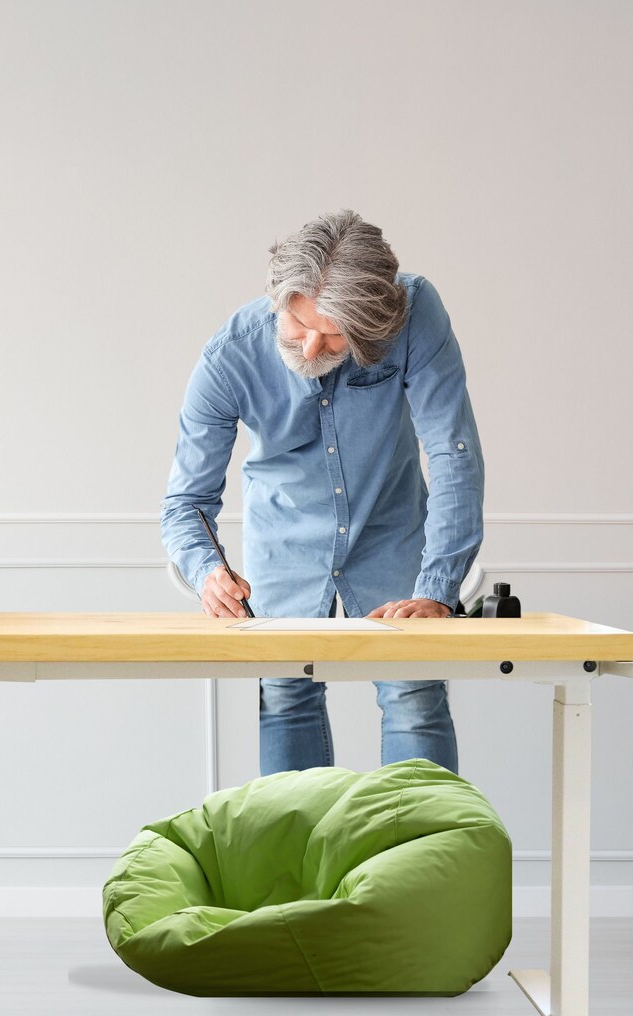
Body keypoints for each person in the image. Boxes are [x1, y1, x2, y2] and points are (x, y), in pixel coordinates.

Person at [161, 209, 483, 776]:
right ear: (279, 299)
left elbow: (454, 456)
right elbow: (185, 505)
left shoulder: (414, 313)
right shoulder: (229, 355)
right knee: (286, 696)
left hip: (392, 531)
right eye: (298, 326)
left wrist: (438, 587)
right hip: (283, 545)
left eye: (334, 335)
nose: (311, 349)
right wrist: (208, 570)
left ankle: (418, 861)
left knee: (415, 694)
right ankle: (300, 864)